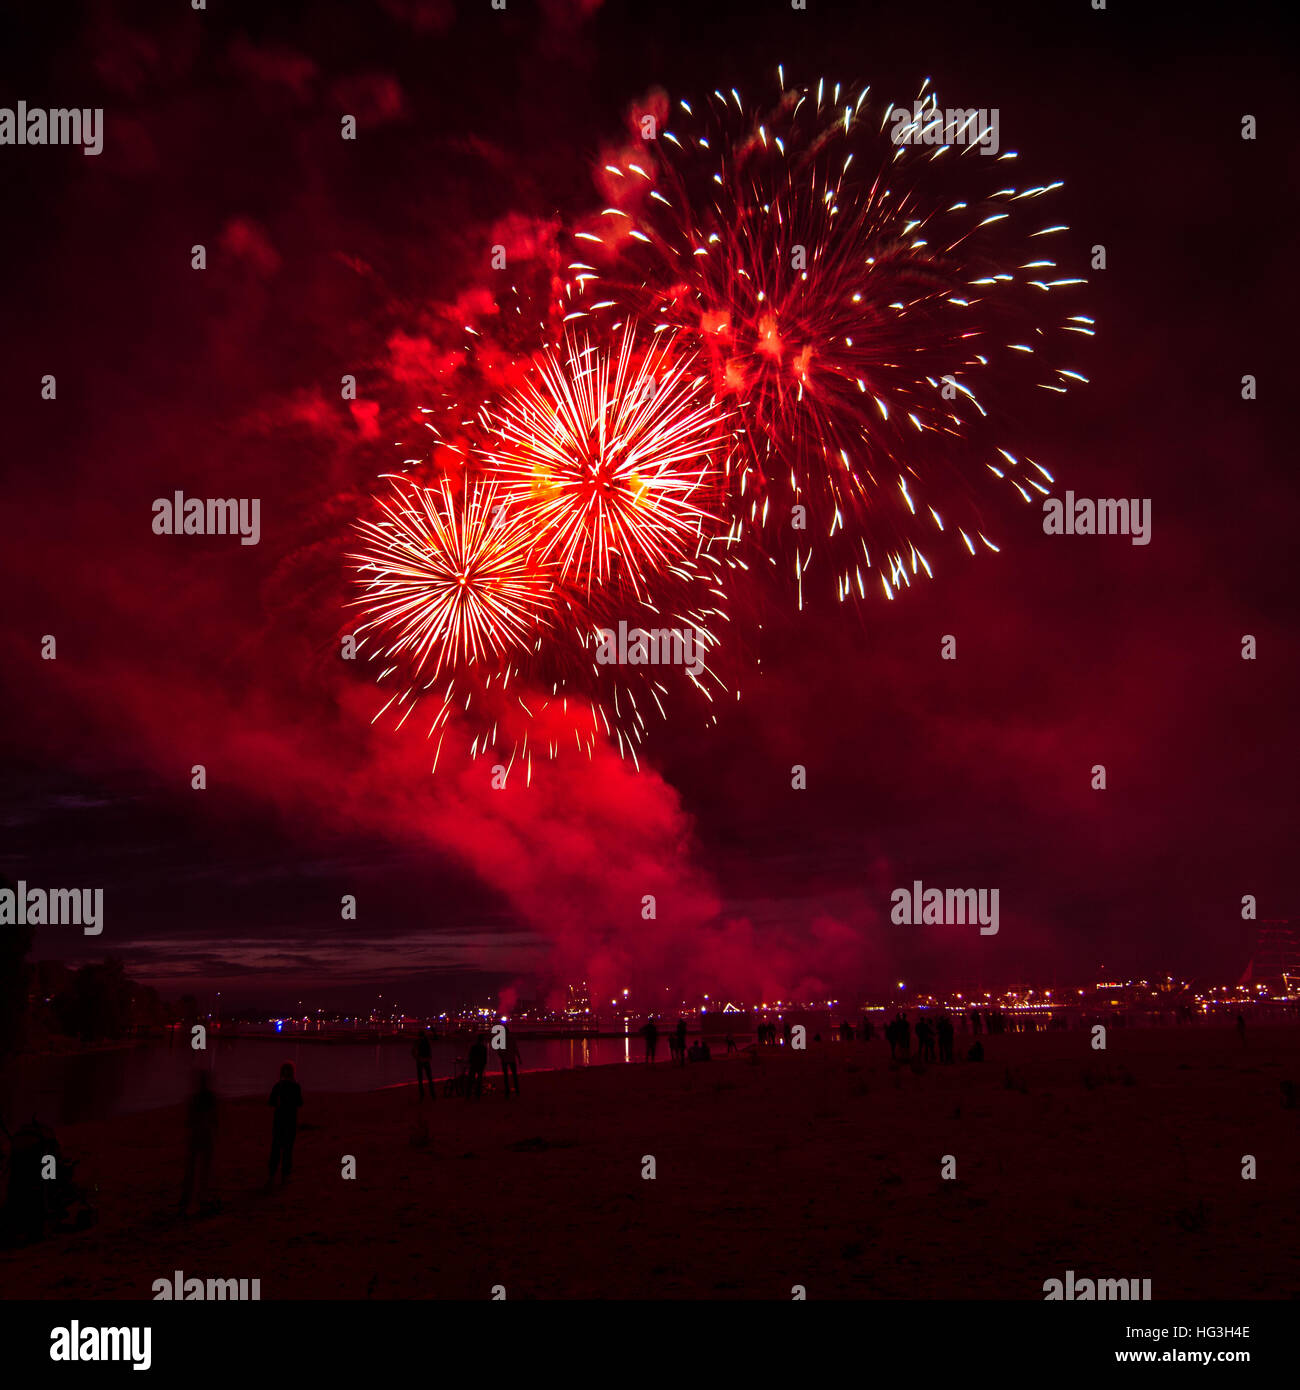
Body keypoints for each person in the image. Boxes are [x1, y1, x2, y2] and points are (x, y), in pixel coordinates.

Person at [180, 1069, 218, 1215]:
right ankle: (201, 1197)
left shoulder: (195, 1098)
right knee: (203, 1169)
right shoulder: (210, 1098)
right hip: (205, 1135)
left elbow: (189, 1119)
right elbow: (215, 1119)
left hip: (197, 1135)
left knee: (193, 1169)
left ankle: (189, 1198)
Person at [267, 1062, 303, 1187]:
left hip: (279, 1121)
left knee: (276, 1149)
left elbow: (271, 1102)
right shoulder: (295, 1087)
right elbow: (299, 1102)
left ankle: (272, 1176)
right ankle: (285, 1177)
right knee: (288, 1150)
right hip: (290, 1122)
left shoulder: (278, 1086)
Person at [498, 1027, 521, 1097]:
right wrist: (519, 1058)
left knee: (505, 1076)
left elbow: (499, 1050)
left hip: (504, 1059)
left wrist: (501, 1057)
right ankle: (517, 1090)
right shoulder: (512, 1038)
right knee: (514, 1075)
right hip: (512, 1059)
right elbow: (515, 1048)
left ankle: (507, 1091)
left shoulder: (501, 1039)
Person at [413, 1029, 435, 1101]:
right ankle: (432, 1094)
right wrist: (428, 1058)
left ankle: (422, 1095)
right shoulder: (426, 1041)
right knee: (429, 1078)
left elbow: (413, 1051)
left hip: (420, 1061)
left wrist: (417, 1058)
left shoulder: (417, 1042)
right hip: (426, 1061)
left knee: (420, 1079)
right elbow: (429, 1051)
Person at [466, 1034, 488, 1099]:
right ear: (482, 1040)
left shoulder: (473, 1046)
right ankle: (477, 1094)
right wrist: (484, 1065)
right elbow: (485, 1058)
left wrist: (470, 1061)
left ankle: (468, 1094)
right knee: (479, 1080)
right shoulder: (484, 1048)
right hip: (480, 1065)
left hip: (473, 1064)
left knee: (470, 1079)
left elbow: (470, 1055)